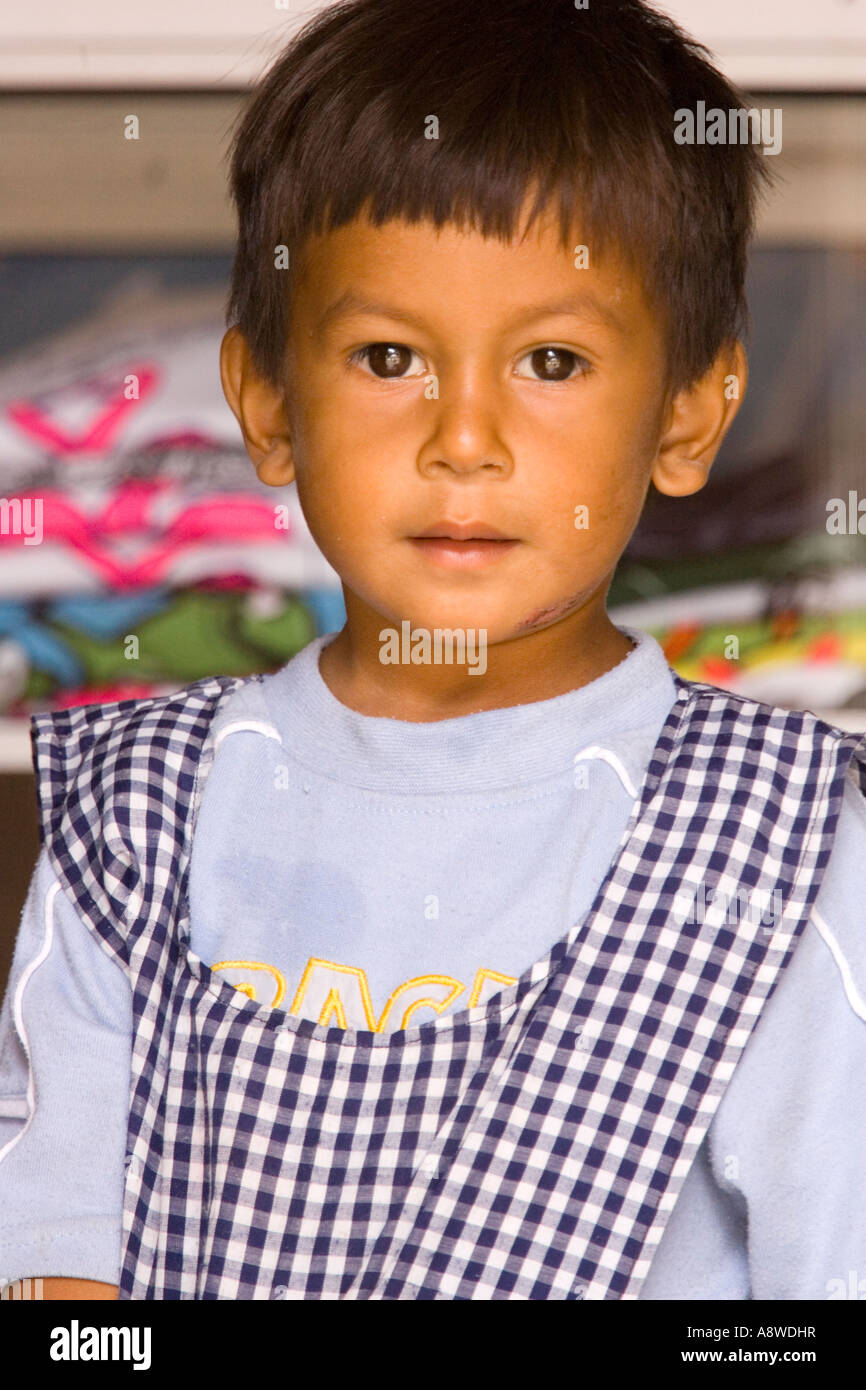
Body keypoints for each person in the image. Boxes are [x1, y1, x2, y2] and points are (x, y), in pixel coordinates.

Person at [2, 0, 865, 1301]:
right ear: (268, 401)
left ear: (689, 412)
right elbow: (60, 1284)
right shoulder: (135, 814)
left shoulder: (790, 840)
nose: (465, 436)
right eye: (389, 355)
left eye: (552, 360)